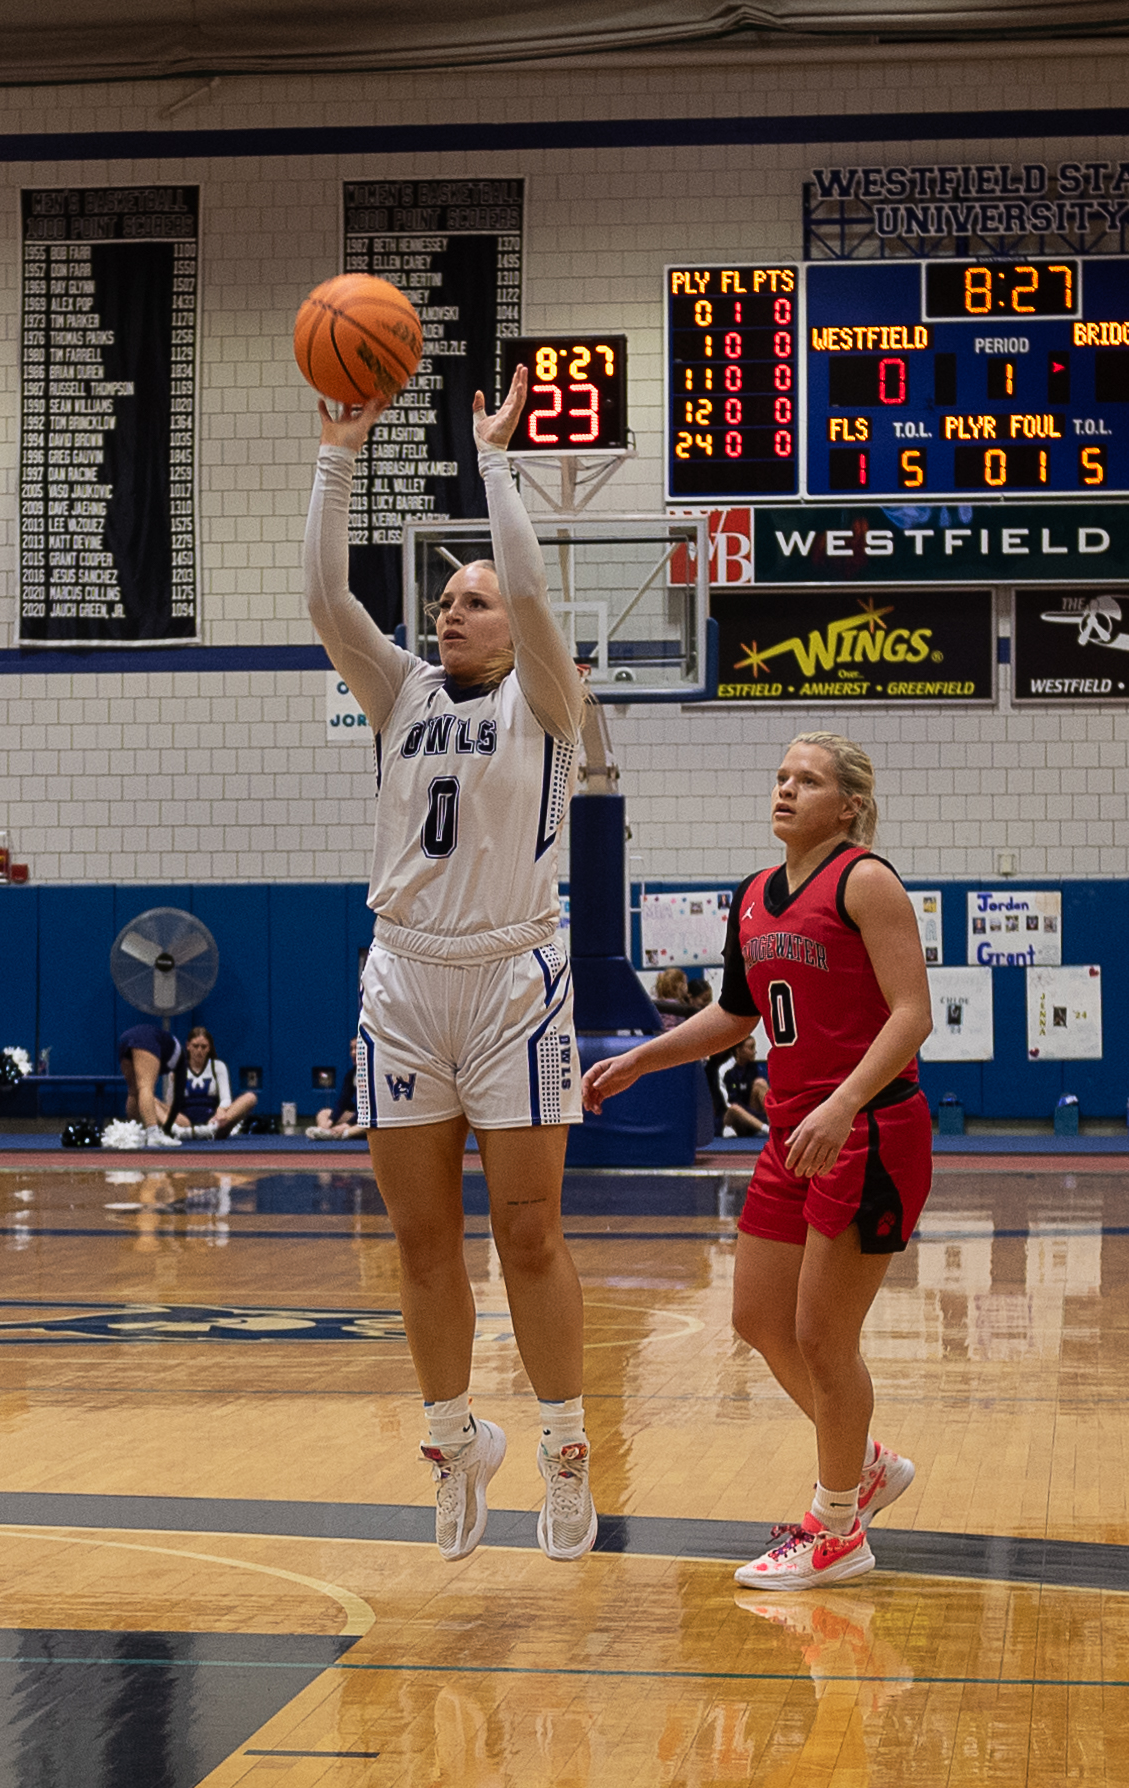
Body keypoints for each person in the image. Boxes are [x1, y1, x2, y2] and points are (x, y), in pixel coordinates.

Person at [304, 365, 594, 1564]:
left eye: (467, 601)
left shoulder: (547, 696)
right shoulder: (401, 691)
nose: (450, 613)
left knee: (527, 1234)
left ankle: (567, 1446)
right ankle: (452, 1437)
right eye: (443, 602)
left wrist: (493, 463)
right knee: (420, 1243)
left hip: (515, 981)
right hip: (404, 981)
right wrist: (337, 457)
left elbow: (526, 587)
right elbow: (326, 600)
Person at [583, 733, 932, 1589]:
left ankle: (838, 1527)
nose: (785, 790)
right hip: (789, 1135)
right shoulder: (753, 896)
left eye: (806, 781)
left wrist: (843, 1101)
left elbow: (913, 1014)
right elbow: (738, 1014)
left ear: (847, 804)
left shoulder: (867, 881)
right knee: (757, 1321)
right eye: (780, 777)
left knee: (821, 1335)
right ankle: (867, 1464)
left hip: (866, 1129)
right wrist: (643, 1057)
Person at [166, 1025, 258, 1140]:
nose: (199, 1051)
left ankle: (207, 1131)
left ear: (209, 1048)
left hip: (213, 1123)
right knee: (151, 1101)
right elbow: (170, 1104)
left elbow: (226, 1098)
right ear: (188, 1046)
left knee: (250, 1097)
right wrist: (173, 1084)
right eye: (195, 1046)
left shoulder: (218, 1066)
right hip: (184, 1123)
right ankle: (181, 1131)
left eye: (203, 1047)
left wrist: (221, 1111)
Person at [117, 1024, 182, 1148]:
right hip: (145, 1040)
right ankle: (153, 1134)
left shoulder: (169, 1050)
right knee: (145, 1087)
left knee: (133, 1090)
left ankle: (135, 1133)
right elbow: (177, 1098)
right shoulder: (180, 1061)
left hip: (124, 1038)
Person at [307, 1038, 367, 1140]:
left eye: (357, 1048)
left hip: (370, 1118)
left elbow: (369, 1110)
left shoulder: (374, 1074)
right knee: (323, 1113)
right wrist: (330, 1121)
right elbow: (343, 1101)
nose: (353, 1052)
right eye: (351, 1049)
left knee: (368, 1123)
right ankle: (324, 1131)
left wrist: (347, 1125)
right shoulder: (351, 1075)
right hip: (358, 1116)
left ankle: (342, 1134)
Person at [719, 1035, 769, 1137]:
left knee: (760, 1083)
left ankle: (776, 1125)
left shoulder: (754, 1067)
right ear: (738, 1050)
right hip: (734, 1118)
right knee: (734, 1108)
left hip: (752, 1116)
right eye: (751, 1048)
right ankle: (767, 1129)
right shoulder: (725, 1071)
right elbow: (728, 1105)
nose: (754, 1052)